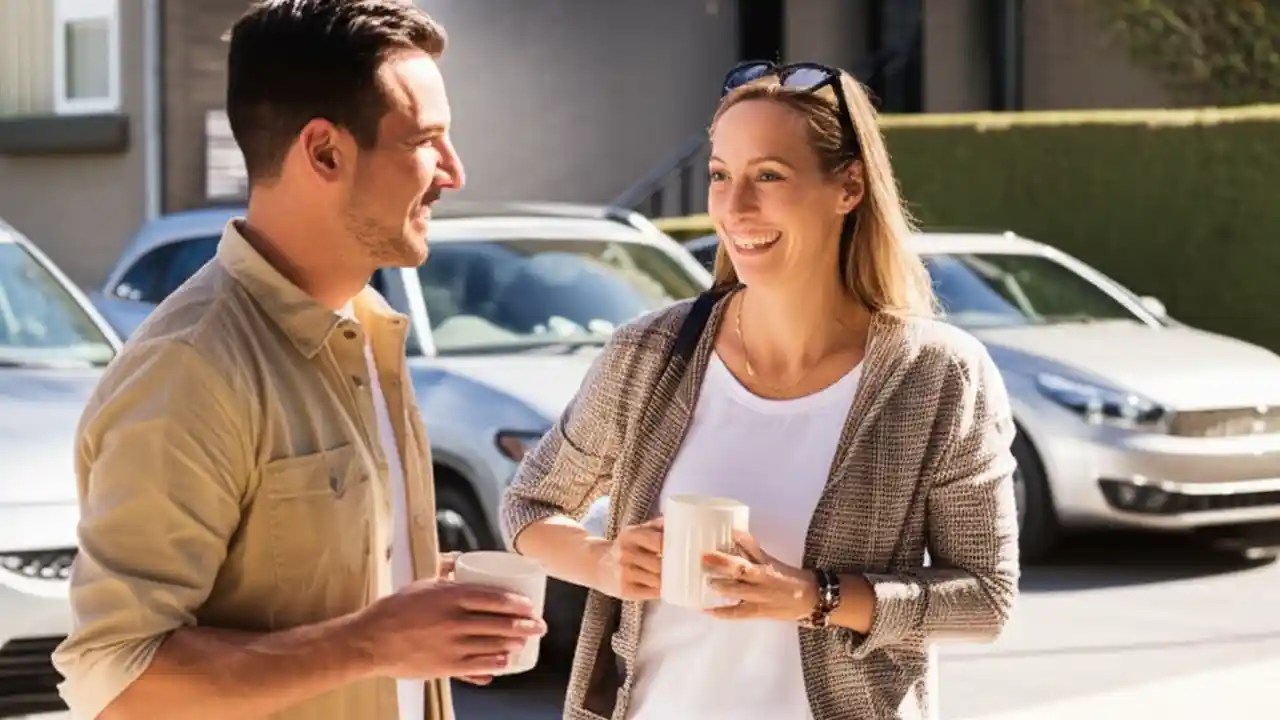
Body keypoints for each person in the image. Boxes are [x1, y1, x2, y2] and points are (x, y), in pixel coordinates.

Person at [51, 2, 545, 719]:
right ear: (324, 153)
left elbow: (313, 589)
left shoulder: (370, 329)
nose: (453, 172)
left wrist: (417, 591)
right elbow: (118, 678)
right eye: (427, 141)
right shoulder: (191, 367)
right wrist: (372, 642)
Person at [500, 60, 1019, 720]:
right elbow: (529, 506)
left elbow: (984, 599)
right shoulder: (651, 353)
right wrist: (601, 563)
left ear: (849, 187)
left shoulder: (938, 376)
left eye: (768, 175)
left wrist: (814, 596)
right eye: (721, 175)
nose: (734, 207)